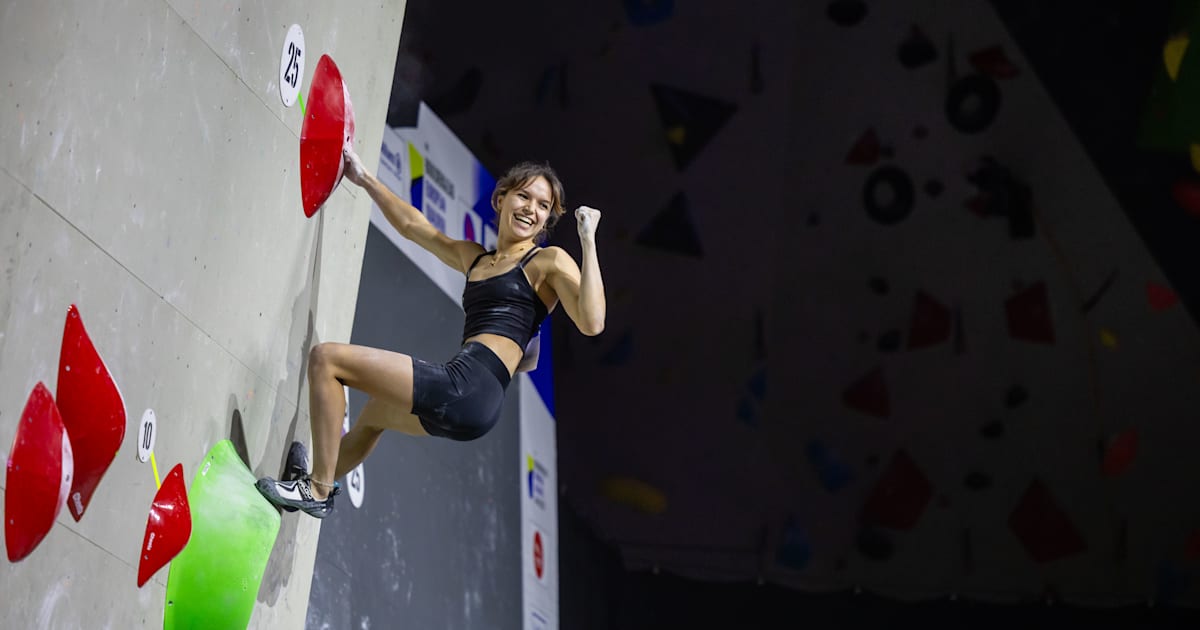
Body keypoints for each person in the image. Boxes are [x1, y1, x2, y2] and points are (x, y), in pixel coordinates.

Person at [255, 147, 605, 517]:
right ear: (501, 199)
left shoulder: (547, 261)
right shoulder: (476, 259)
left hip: (472, 387)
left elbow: (592, 322)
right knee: (375, 415)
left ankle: (316, 490)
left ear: (548, 218)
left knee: (326, 359)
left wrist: (588, 239)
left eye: (543, 205)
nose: (531, 209)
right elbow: (414, 227)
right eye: (524, 196)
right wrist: (363, 178)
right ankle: (316, 480)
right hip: (472, 401)